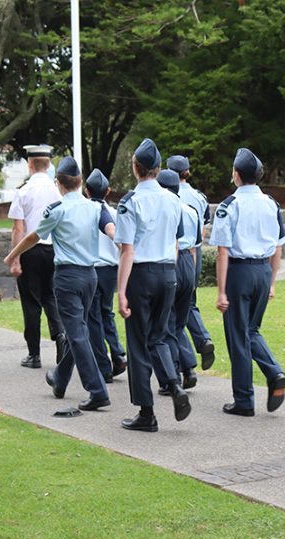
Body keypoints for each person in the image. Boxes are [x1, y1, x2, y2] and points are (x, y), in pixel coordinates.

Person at [3, 157, 113, 411]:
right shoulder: (95, 207)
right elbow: (111, 229)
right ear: (80, 182)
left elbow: (33, 235)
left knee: (77, 333)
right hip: (90, 277)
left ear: (59, 183)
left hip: (67, 278)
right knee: (79, 332)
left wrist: (12, 255)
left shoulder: (58, 209)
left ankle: (97, 390)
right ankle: (60, 378)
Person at [115, 138, 191, 432]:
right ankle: (173, 384)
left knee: (137, 343)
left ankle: (146, 413)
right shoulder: (174, 199)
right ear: (158, 170)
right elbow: (176, 239)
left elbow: (127, 250)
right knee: (158, 337)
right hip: (167, 272)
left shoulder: (130, 202)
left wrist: (121, 292)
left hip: (141, 274)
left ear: (136, 168)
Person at [208, 147, 285, 417]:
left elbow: (222, 250)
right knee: (251, 330)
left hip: (239, 273)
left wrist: (221, 291)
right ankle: (274, 372)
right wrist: (272, 282)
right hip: (263, 272)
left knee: (238, 337)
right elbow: (278, 247)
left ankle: (244, 400)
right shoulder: (272, 204)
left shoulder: (229, 205)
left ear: (236, 174)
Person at [8, 144, 65, 369]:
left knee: (30, 302)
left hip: (30, 249)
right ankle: (59, 335)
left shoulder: (23, 191)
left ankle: (34, 354)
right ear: (49, 164)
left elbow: (18, 229)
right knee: (50, 297)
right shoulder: (56, 191)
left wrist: (15, 258)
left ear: (30, 164)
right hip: (52, 249)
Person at [155, 168, 202, 391]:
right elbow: (195, 245)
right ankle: (189, 368)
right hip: (188, 263)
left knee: (166, 325)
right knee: (179, 323)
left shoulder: (163, 210)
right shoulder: (191, 210)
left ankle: (171, 376)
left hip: (170, 262)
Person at [167, 154, 215, 371]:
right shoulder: (200, 197)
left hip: (173, 252)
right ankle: (202, 339)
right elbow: (202, 230)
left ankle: (182, 361)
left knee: (173, 310)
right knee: (189, 300)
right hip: (193, 250)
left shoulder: (166, 196)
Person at [85, 168, 128, 382]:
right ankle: (118, 352)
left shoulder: (84, 211)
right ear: (108, 191)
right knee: (106, 312)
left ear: (86, 190)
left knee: (93, 318)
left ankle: (103, 366)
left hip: (92, 268)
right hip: (111, 269)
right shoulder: (115, 212)